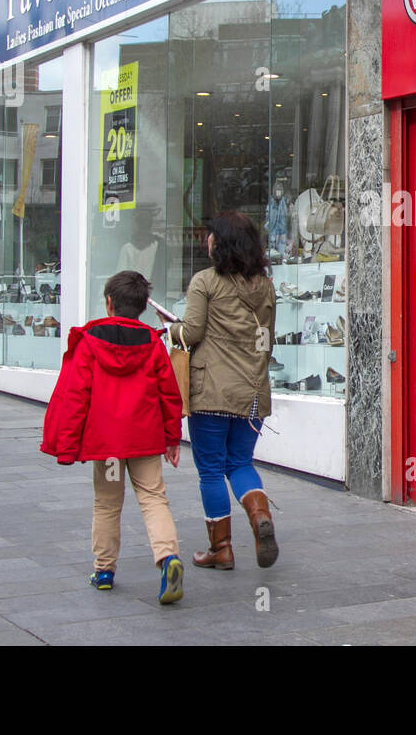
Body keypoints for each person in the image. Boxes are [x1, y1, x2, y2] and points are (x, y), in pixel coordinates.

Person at [41, 271, 186, 605]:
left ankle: (104, 571)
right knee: (153, 497)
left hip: (106, 444)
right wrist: (172, 439)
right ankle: (168, 558)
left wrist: (67, 446)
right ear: (142, 308)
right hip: (145, 438)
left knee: (107, 503)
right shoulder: (151, 342)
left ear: (109, 303)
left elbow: (76, 396)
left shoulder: (90, 342)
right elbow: (169, 393)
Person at [167, 210, 278, 570]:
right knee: (241, 463)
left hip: (212, 391)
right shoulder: (265, 285)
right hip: (253, 393)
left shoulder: (205, 281)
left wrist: (170, 329)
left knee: (212, 470)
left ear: (222, 243)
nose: (207, 240)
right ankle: (260, 515)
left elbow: (192, 333)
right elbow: (267, 340)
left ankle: (221, 548)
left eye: (212, 235)